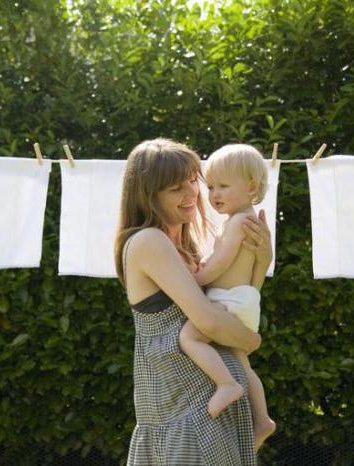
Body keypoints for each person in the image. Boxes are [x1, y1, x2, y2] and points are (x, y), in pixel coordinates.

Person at [115, 138, 272, 465]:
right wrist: (251, 341)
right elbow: (210, 322)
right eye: (176, 189)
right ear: (149, 194)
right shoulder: (149, 241)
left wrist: (263, 257)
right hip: (181, 412)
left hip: (207, 411)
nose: (192, 194)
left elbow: (242, 295)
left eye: (192, 181)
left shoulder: (186, 246)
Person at [179, 144, 276, 450]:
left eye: (223, 185)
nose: (214, 194)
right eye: (210, 187)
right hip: (244, 299)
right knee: (242, 362)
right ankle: (262, 421)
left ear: (250, 187)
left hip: (230, 299)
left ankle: (226, 384)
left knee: (190, 338)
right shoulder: (249, 221)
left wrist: (194, 281)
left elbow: (220, 263)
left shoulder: (237, 223)